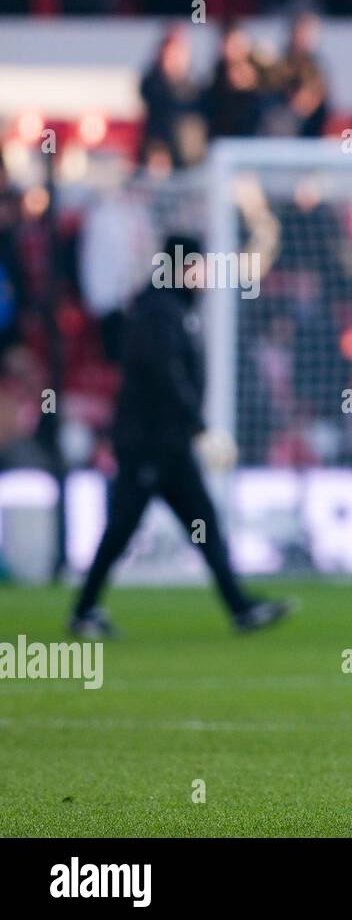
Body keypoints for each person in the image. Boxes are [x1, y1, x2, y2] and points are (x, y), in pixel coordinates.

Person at [68, 234, 295, 639]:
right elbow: (164, 376)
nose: (204, 275)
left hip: (166, 445)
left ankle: (239, 606)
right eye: (198, 265)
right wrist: (200, 428)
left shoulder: (165, 308)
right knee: (125, 527)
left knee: (201, 523)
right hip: (151, 445)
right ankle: (84, 611)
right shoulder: (160, 312)